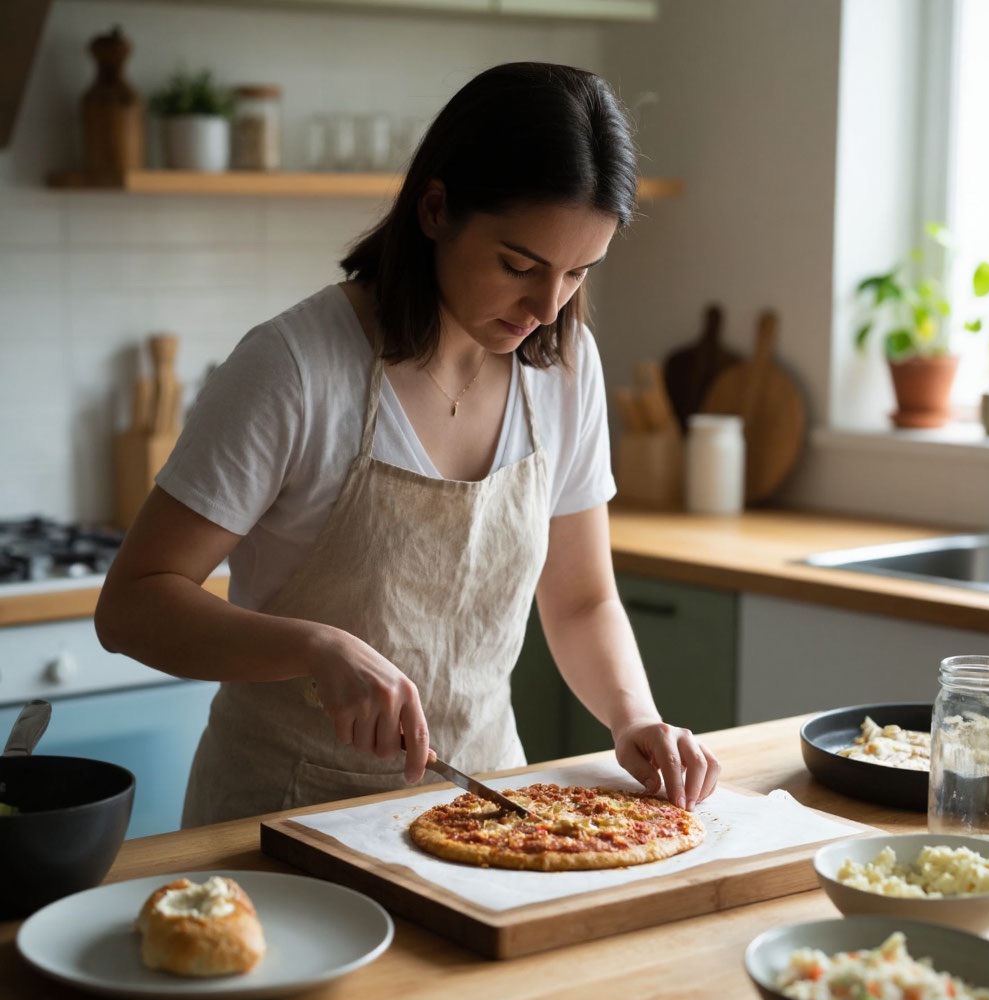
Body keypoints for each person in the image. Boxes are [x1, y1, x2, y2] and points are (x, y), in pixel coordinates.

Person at [95, 61, 720, 827]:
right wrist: (316, 648)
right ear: (435, 209)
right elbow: (130, 605)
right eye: (519, 266)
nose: (546, 305)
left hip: (493, 808)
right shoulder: (293, 368)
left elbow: (583, 599)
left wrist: (635, 719)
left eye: (578, 272)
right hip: (286, 824)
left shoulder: (564, 364)